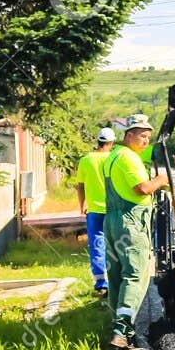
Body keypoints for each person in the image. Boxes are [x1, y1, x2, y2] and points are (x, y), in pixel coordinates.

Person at [103, 113, 170, 350]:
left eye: (148, 137)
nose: (145, 141)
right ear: (128, 135)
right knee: (134, 275)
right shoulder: (129, 158)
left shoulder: (113, 156)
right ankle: (122, 331)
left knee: (116, 276)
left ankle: (118, 326)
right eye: (141, 136)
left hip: (112, 221)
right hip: (130, 223)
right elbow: (141, 188)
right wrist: (161, 180)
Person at [72, 127, 117, 296]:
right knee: (115, 244)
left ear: (98, 141)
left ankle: (101, 283)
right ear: (111, 143)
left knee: (97, 246)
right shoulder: (114, 159)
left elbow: (81, 186)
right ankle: (116, 280)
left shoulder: (85, 160)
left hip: (94, 211)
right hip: (114, 211)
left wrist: (82, 204)